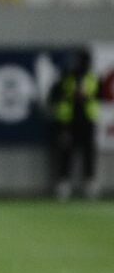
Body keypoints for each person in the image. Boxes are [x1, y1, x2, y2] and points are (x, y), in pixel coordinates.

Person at [50, 50, 101, 200]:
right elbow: (55, 96)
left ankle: (89, 182)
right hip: (69, 121)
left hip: (87, 120)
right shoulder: (67, 78)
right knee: (67, 152)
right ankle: (64, 183)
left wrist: (86, 97)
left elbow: (98, 96)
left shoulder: (92, 78)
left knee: (88, 152)